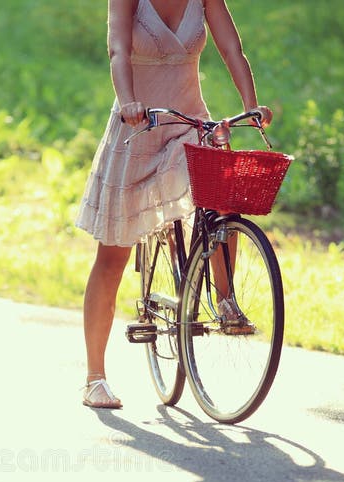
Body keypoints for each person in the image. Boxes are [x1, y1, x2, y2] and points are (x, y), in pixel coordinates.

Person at [76, 0, 272, 409]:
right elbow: (117, 49)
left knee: (222, 201)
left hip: (189, 122)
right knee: (112, 256)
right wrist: (127, 101)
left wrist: (251, 103)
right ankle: (95, 377)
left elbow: (232, 48)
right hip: (139, 125)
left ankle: (225, 301)